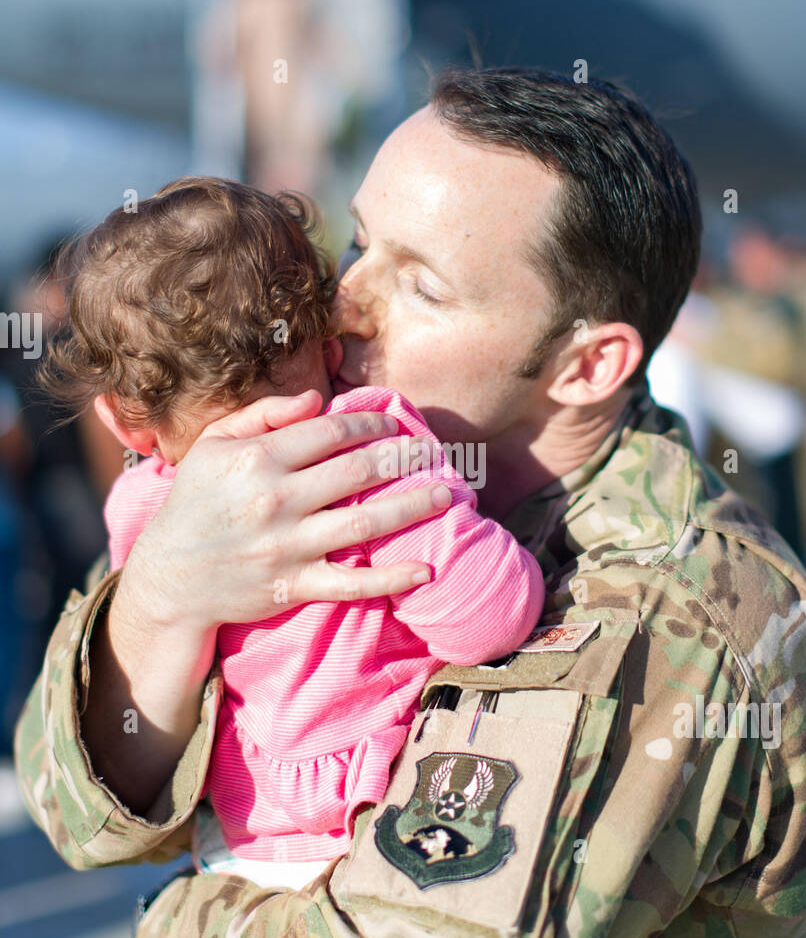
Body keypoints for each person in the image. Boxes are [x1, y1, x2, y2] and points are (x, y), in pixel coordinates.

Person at [15, 68, 806, 938]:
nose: (344, 302)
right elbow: (75, 804)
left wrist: (175, 929)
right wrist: (161, 598)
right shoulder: (339, 473)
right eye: (362, 241)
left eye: (419, 283)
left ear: (587, 363)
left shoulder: (664, 613)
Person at [35, 176, 544, 888]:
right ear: (328, 344)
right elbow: (490, 621)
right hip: (371, 816)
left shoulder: (142, 504)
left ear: (121, 420)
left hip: (231, 832)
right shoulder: (368, 447)